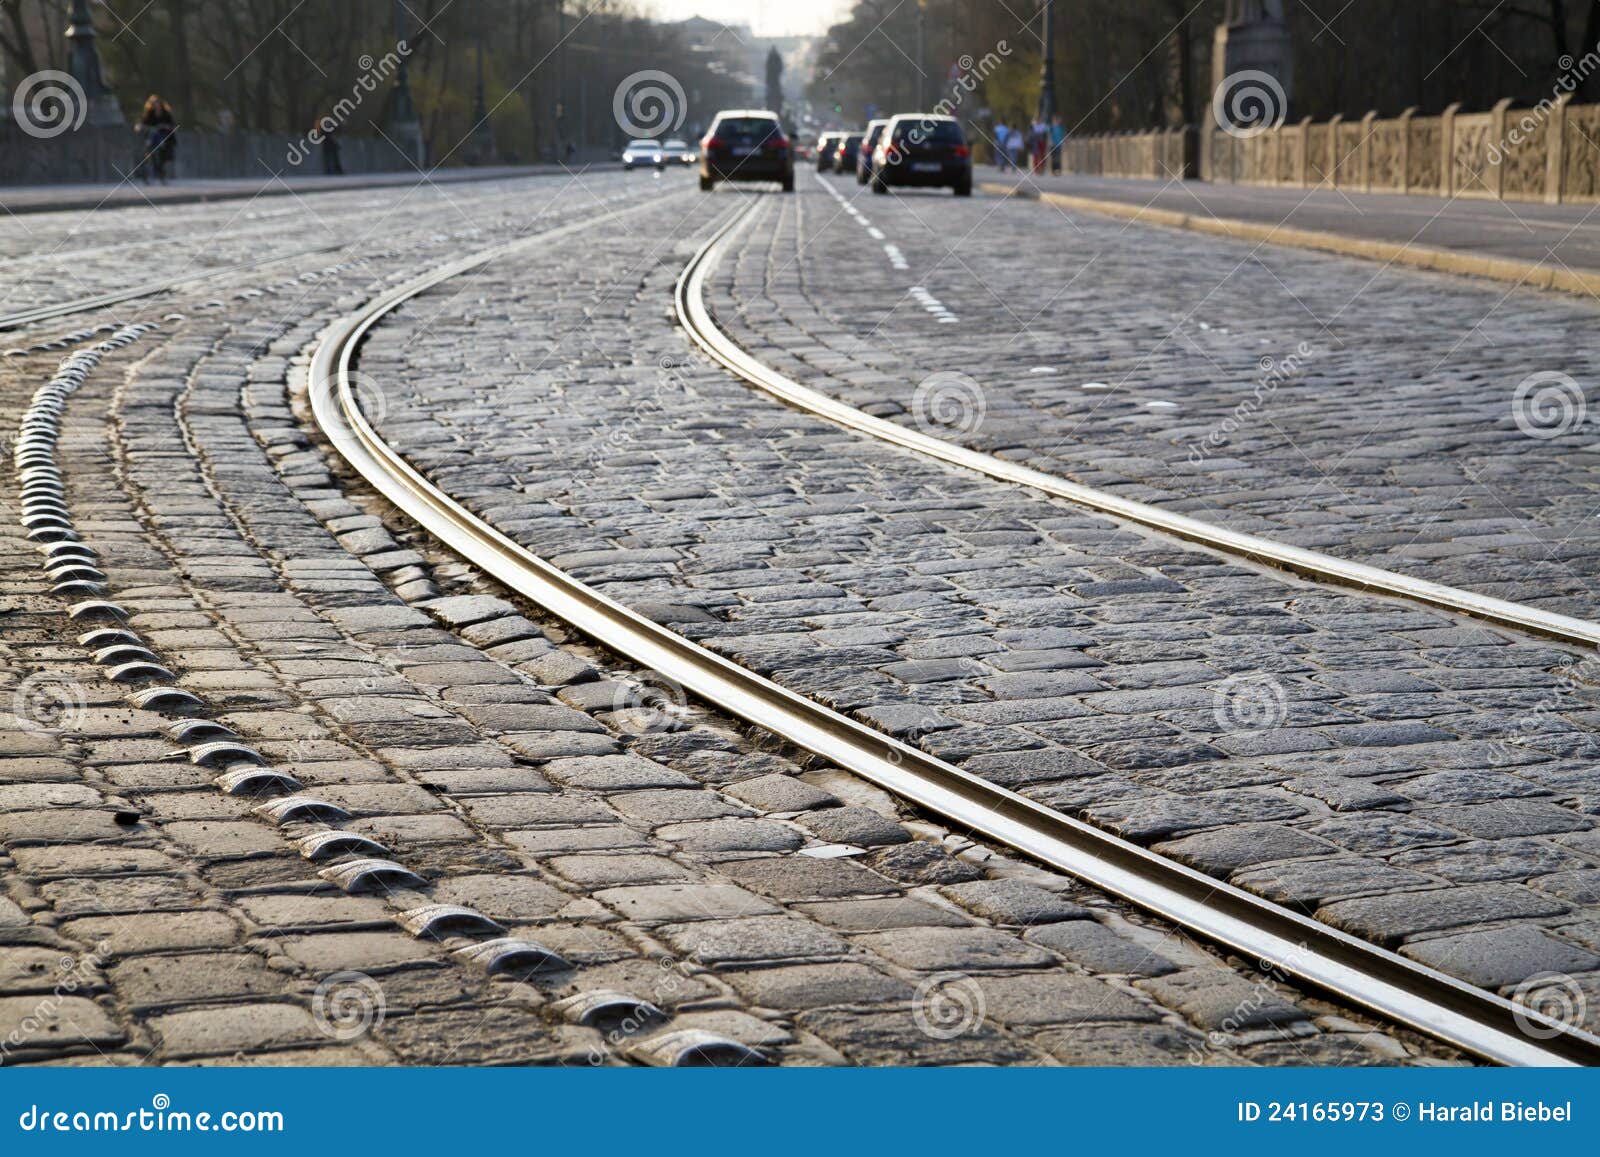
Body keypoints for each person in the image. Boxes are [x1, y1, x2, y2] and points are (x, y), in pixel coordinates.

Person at [137, 95, 177, 184]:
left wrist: (166, 126)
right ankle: (147, 174)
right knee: (149, 153)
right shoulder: (149, 114)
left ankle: (162, 174)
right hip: (152, 137)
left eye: (157, 103)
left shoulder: (166, 114)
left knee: (162, 155)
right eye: (154, 103)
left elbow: (173, 125)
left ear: (160, 103)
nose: (156, 105)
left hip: (164, 136)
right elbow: (142, 124)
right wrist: (140, 127)